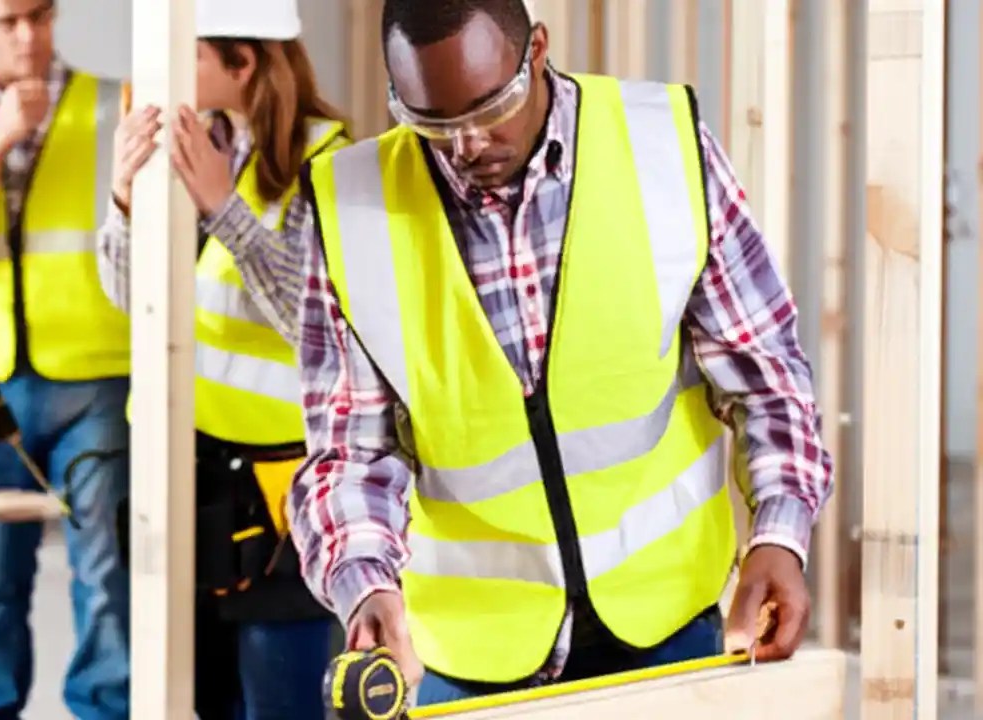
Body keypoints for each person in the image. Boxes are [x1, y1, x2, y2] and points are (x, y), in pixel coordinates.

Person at [287, 0, 835, 706]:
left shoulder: (663, 148)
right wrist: (364, 585)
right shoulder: (349, 209)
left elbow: (765, 376)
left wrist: (780, 535)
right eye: (432, 121)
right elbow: (348, 456)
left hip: (668, 628)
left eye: (490, 107)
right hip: (466, 658)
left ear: (536, 49)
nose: (466, 145)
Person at [95, 0, 349, 717]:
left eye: (190, 52)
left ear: (244, 61)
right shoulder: (187, 139)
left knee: (279, 698)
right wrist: (121, 198)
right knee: (195, 696)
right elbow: (126, 296)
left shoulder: (327, 159)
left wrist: (223, 206)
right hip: (181, 468)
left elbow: (317, 322)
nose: (162, 72)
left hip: (277, 490)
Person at [0, 1, 132, 718]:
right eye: (10, 21)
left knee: (106, 571)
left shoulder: (115, 103)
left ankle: (106, 708)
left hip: (96, 373)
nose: (30, 35)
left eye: (40, 16)